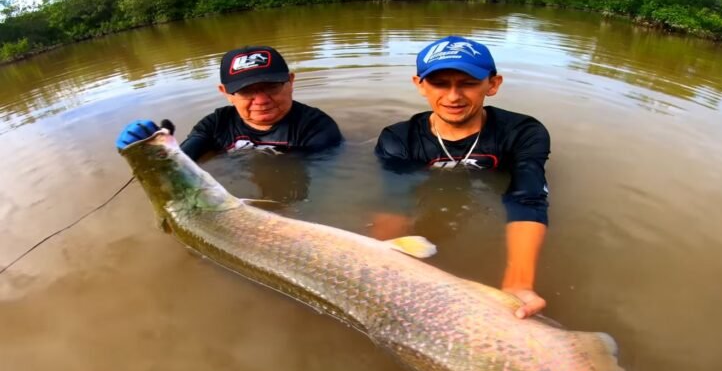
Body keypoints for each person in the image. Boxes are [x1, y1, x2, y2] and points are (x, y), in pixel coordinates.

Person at [374, 36, 551, 319]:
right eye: (439, 83)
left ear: (492, 84)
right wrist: (387, 269)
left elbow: (527, 198)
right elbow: (395, 200)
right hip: (431, 214)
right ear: (420, 84)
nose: (453, 97)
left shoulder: (522, 133)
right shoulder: (399, 139)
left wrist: (519, 284)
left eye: (468, 83)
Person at [116, 45, 342, 159]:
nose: (261, 100)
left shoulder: (317, 128)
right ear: (225, 93)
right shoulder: (216, 124)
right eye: (246, 91)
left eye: (272, 86)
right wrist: (148, 153)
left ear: (290, 82)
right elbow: (181, 163)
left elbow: (318, 180)